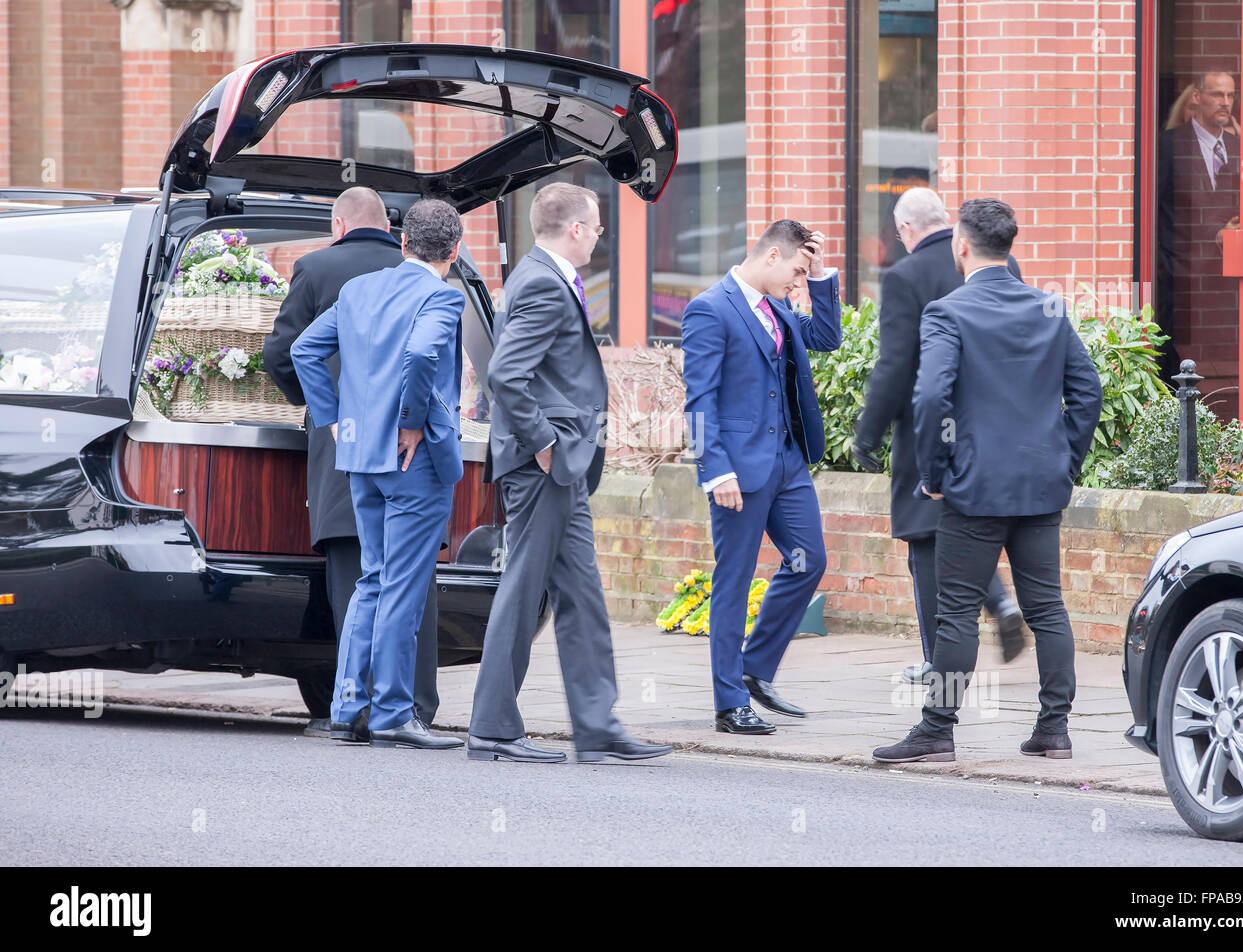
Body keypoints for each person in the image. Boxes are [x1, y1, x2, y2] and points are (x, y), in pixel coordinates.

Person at [873, 198, 1102, 764]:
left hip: (972, 488)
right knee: (1047, 608)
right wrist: (1065, 462)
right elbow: (1088, 391)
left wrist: (935, 473)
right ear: (1008, 245)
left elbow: (931, 396)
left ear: (961, 245)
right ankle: (1054, 729)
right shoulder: (1048, 307)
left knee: (955, 613)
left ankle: (936, 730)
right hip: (1039, 485)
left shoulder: (948, 312)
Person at [467, 182, 670, 764]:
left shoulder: (541, 276)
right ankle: (492, 728)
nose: (599, 237)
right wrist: (544, 443)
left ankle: (597, 726)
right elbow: (506, 375)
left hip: (562, 466)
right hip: (543, 465)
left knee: (582, 594)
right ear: (576, 229)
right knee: (523, 589)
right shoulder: (542, 283)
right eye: (598, 227)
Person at [263, 187, 444, 741]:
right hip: (412, 451)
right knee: (412, 581)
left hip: (350, 450)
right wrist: (415, 418)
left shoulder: (319, 269)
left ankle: (353, 709)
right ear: (394, 231)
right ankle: (412, 707)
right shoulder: (426, 278)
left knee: (360, 574)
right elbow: (431, 358)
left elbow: (284, 352)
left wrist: (328, 416)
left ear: (338, 225)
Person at [852, 187, 1025, 685]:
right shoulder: (1000, 265)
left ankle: (938, 664)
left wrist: (868, 433)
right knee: (969, 526)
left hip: (927, 428)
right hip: (990, 426)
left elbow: (895, 366)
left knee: (926, 542)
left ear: (906, 229)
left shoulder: (905, 276)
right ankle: (999, 601)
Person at [681, 219, 842, 735]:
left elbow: (827, 337)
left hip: (788, 461)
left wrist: (818, 275)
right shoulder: (710, 308)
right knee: (734, 579)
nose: (798, 281)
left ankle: (754, 667)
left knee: (809, 560)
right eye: (796, 270)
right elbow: (699, 399)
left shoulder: (779, 307)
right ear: (772, 256)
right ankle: (730, 703)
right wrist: (714, 469)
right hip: (738, 468)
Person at [1157, 71, 1240, 384]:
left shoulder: (1238, 145)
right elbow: (1159, 208)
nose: (1225, 102)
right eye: (1217, 94)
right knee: (1175, 363)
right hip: (1179, 275)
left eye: (1230, 95)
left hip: (1227, 279)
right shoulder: (1170, 143)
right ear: (1197, 97)